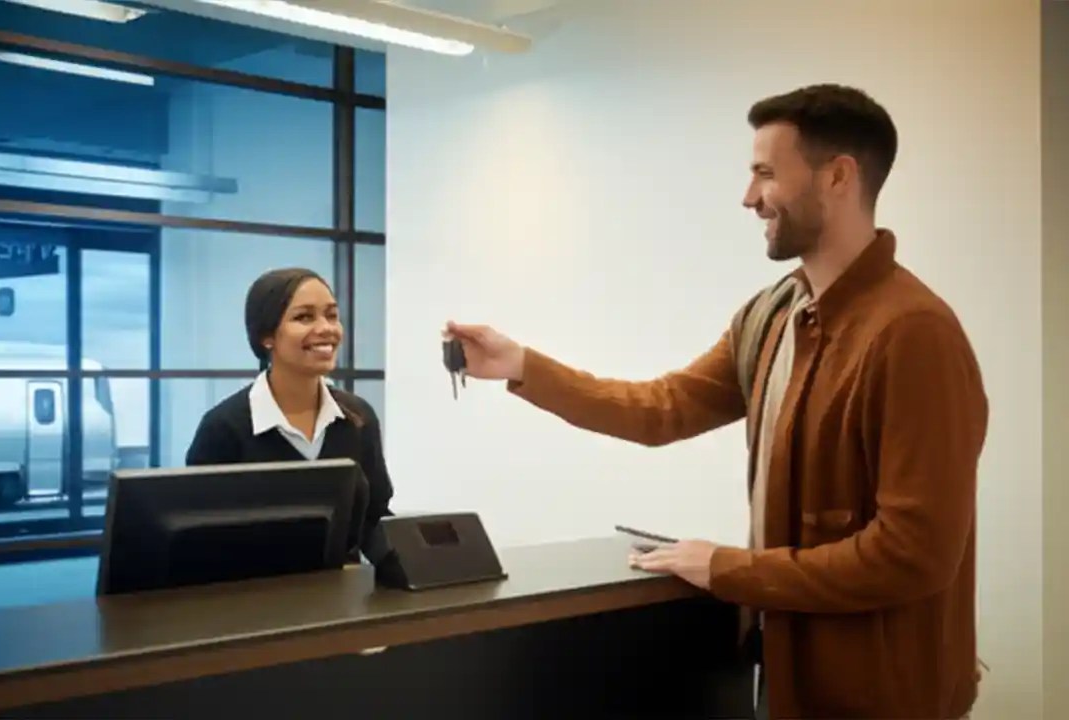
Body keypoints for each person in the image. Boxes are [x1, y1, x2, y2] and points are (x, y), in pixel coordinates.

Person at [445, 84, 986, 720]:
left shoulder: (914, 333)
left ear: (838, 177)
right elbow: (663, 408)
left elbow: (912, 556)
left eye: (765, 173)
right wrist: (523, 366)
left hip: (884, 699)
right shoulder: (772, 314)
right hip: (789, 682)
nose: (749, 197)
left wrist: (730, 569)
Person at [186, 267, 394, 559]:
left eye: (332, 315)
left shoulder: (358, 418)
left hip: (343, 597)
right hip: (250, 599)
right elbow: (198, 540)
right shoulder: (223, 427)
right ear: (266, 335)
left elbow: (375, 520)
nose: (326, 328)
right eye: (304, 317)